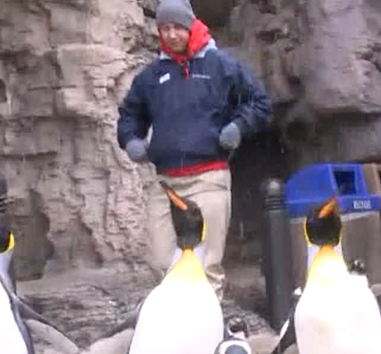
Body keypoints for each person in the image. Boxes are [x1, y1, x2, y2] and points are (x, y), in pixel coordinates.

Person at [116, 0, 273, 300]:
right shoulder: (150, 77)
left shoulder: (221, 66)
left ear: (190, 26)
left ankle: (209, 336)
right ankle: (175, 329)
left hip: (209, 177)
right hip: (165, 182)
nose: (171, 34)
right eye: (164, 28)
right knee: (162, 261)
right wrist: (131, 140)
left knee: (207, 265)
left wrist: (238, 127)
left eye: (177, 27)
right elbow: (128, 115)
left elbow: (260, 102)